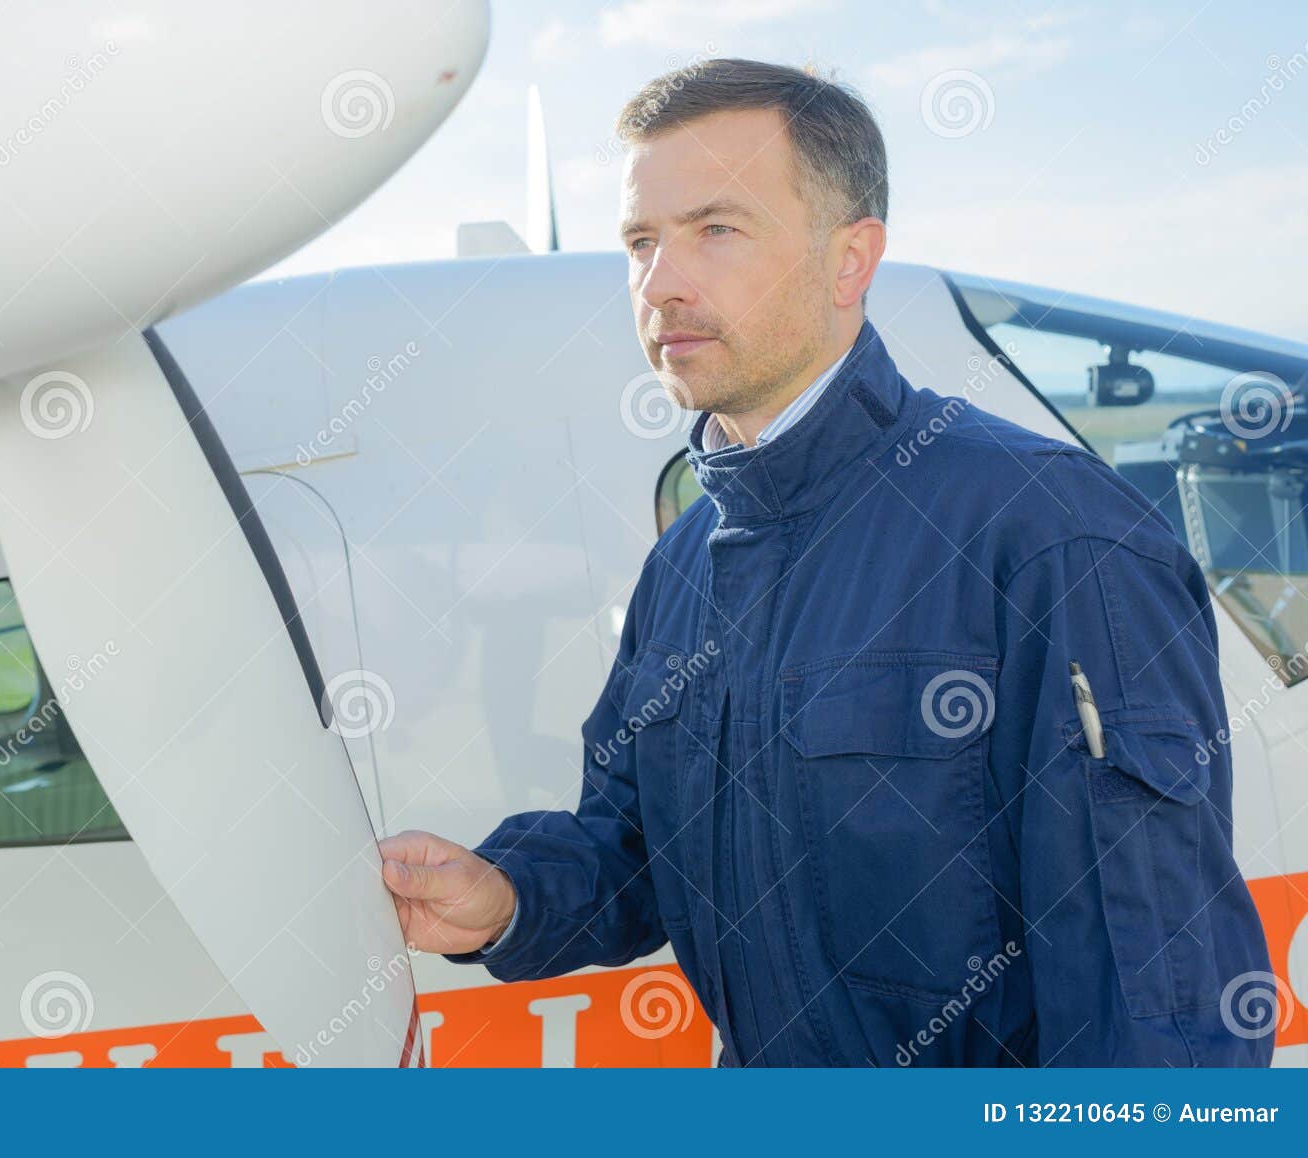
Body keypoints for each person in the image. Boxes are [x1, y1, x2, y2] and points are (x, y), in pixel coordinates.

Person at [378, 58, 1273, 1067]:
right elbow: (640, 845)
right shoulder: (684, 566)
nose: (659, 281)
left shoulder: (1048, 534)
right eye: (640, 240)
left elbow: (1155, 1005)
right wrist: (504, 899)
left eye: (716, 229)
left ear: (850, 261)